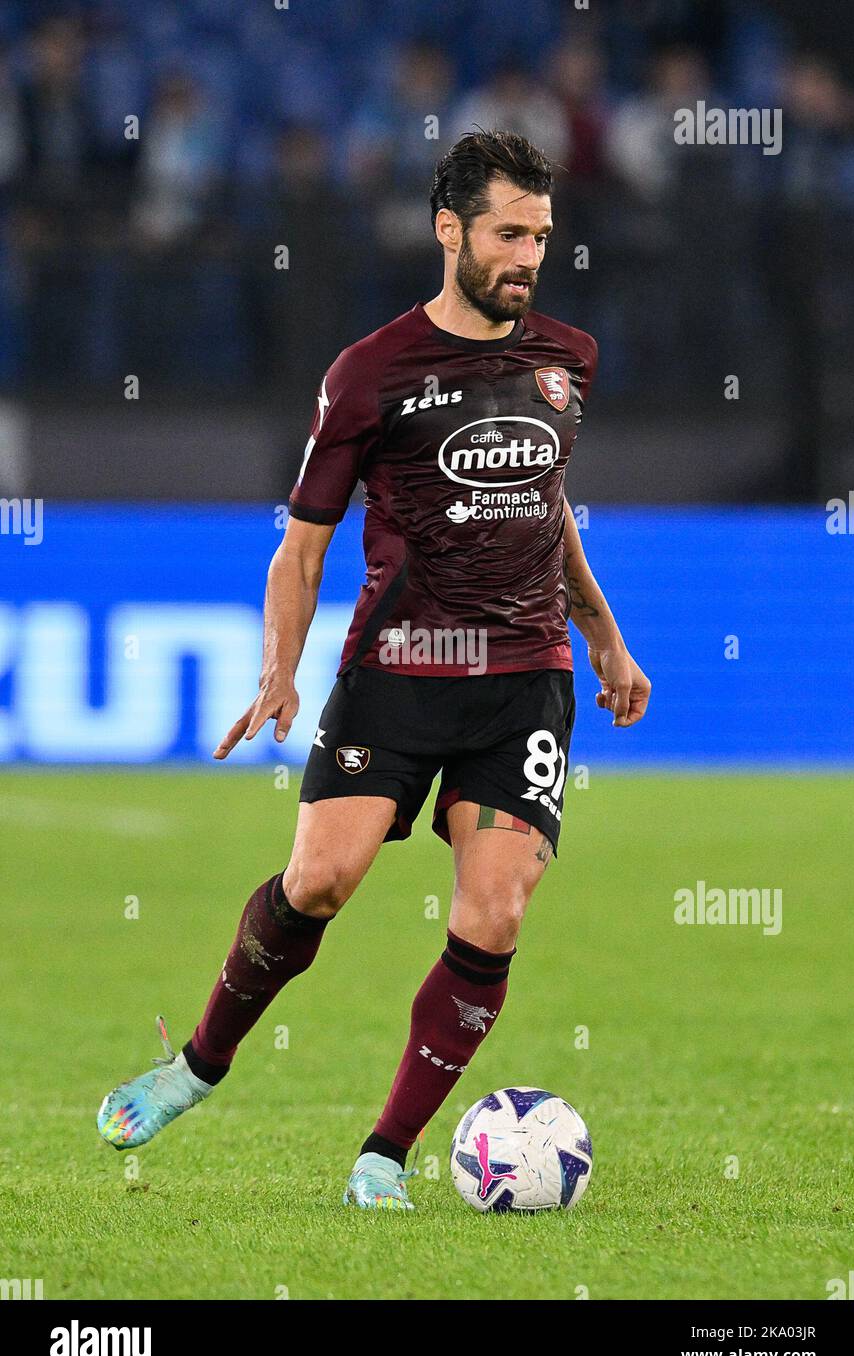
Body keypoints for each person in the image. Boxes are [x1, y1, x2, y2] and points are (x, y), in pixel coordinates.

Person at [97, 130, 651, 1211]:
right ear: (448, 231)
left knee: (493, 914)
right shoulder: (368, 375)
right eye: (507, 233)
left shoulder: (567, 358)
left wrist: (603, 636)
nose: (527, 255)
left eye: (539, 234)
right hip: (398, 668)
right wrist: (277, 669)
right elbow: (301, 544)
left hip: (521, 676)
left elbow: (547, 513)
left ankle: (382, 1155)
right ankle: (196, 1066)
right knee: (319, 881)